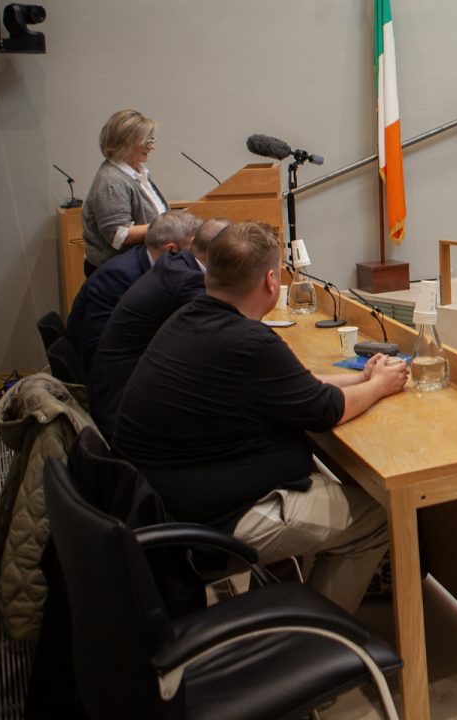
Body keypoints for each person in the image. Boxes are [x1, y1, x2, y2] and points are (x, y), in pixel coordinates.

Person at [114, 221, 410, 612]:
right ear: (271, 282)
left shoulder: (189, 317)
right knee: (379, 518)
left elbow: (297, 385)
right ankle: (316, 637)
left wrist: (361, 377)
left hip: (168, 502)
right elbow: (325, 411)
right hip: (216, 520)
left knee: (330, 483)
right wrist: (379, 386)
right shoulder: (249, 342)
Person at [86, 217, 230, 439]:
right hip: (124, 412)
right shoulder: (188, 280)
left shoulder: (174, 265)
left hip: (118, 393)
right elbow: (224, 334)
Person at [65, 209, 199, 373]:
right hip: (105, 372)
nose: (194, 260)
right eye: (192, 251)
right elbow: (99, 347)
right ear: (170, 250)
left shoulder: (145, 263)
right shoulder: (118, 277)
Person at [81, 109, 168, 275]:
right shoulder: (111, 181)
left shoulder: (137, 172)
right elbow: (119, 235)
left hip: (136, 267)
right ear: (126, 141)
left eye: (152, 139)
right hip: (117, 274)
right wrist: (167, 227)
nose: (152, 146)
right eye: (147, 140)